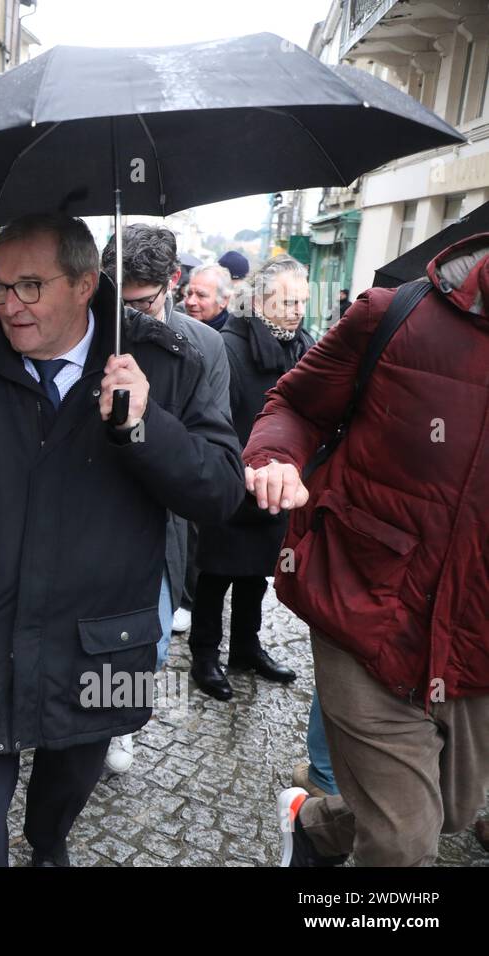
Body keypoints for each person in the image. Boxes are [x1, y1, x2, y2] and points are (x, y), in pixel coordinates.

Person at [0, 213, 244, 867]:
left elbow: (219, 492)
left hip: (101, 644)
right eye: (1, 286)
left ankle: (46, 843)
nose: (11, 306)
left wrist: (146, 426)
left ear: (87, 284)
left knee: (57, 807)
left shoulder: (165, 361)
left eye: (31, 286)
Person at [250, 233, 489, 867]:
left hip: (476, 639)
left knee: (452, 810)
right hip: (365, 602)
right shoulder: (395, 313)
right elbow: (296, 405)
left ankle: (312, 826)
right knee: (404, 840)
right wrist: (276, 458)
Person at [100, 224, 233, 773]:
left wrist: (146, 424)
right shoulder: (90, 333)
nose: (124, 316)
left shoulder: (204, 347)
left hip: (160, 523)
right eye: (114, 300)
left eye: (138, 303)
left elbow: (214, 461)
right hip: (87, 515)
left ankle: (118, 723)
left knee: (148, 641)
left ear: (172, 282)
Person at [191, 255, 311, 701]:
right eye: (287, 300)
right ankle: (205, 654)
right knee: (216, 571)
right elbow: (212, 414)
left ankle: (245, 645)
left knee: (256, 573)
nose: (296, 310)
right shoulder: (227, 345)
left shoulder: (303, 345)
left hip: (278, 480)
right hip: (233, 475)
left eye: (301, 301)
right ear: (259, 300)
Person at [184, 264, 234, 332]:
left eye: (201, 295)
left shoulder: (229, 338)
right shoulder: (178, 327)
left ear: (224, 301)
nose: (190, 302)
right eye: (189, 294)